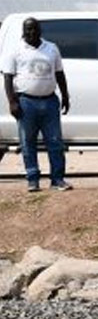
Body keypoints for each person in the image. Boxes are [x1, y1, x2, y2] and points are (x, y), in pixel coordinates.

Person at [1, 18, 72, 192]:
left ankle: (58, 180)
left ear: (40, 30)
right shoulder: (15, 50)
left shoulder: (51, 48)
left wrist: (65, 96)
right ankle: (33, 179)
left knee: (55, 142)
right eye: (28, 30)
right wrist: (12, 102)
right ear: (23, 32)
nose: (31, 33)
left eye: (34, 29)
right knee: (27, 142)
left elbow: (60, 73)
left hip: (50, 101)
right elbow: (8, 78)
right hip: (26, 103)